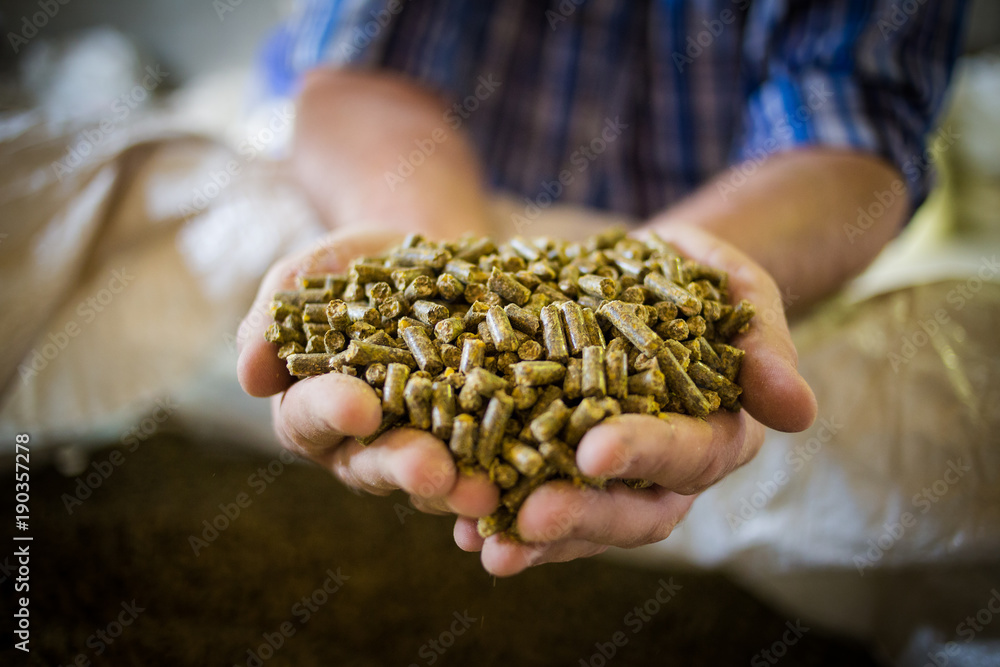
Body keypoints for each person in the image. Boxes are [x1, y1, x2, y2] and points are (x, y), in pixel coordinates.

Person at [237, 0, 968, 577]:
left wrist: (673, 271)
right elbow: (361, 75)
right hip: (417, 190)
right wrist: (435, 251)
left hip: (737, 219)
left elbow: (855, 125)